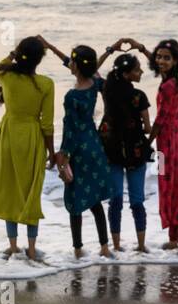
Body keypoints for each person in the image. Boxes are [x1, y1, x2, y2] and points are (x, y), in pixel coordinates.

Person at [42, 36, 121, 258]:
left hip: (79, 149)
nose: (70, 64)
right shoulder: (96, 85)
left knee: (75, 200)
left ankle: (78, 249)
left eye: (72, 62)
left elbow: (70, 130)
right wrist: (50, 47)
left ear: (76, 66)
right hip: (94, 146)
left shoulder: (72, 96)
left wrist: (62, 155)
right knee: (94, 199)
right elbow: (93, 70)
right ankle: (105, 247)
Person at [0, 36, 56, 260]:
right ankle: (31, 250)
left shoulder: (7, 76)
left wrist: (14, 54)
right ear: (39, 60)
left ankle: (13, 247)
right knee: (31, 192)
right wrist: (52, 153)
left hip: (8, 136)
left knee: (10, 191)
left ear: (19, 55)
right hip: (32, 138)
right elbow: (47, 123)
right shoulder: (46, 84)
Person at [99, 49, 153, 253]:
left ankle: (116, 246)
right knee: (137, 200)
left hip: (111, 150)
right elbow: (147, 128)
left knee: (116, 200)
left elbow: (91, 70)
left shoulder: (107, 90)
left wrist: (111, 49)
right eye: (137, 70)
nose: (141, 73)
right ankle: (140, 246)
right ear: (126, 74)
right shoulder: (139, 97)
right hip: (135, 152)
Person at [146, 38, 178, 250]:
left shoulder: (166, 86)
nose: (161, 61)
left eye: (167, 58)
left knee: (169, 185)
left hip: (167, 143)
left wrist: (148, 142)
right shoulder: (173, 79)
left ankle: (173, 239)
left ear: (175, 61)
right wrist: (140, 47)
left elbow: (160, 119)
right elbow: (158, 65)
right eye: (159, 57)